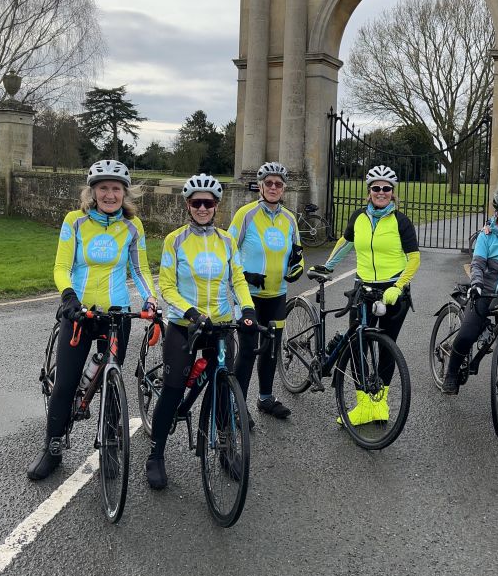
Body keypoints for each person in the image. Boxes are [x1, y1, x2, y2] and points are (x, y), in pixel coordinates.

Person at [28, 160, 156, 481]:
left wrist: (151, 300)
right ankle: (52, 447)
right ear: (93, 192)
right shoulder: (74, 221)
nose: (110, 194)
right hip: (80, 312)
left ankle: (110, 446)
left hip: (116, 314)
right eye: (103, 188)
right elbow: (61, 266)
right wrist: (68, 296)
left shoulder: (132, 226)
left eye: (116, 189)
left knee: (112, 383)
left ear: (124, 193)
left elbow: (140, 271)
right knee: (67, 382)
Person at [145, 174, 257, 491]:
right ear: (188, 205)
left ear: (216, 206)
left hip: (221, 323)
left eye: (209, 203)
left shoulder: (227, 242)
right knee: (173, 386)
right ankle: (156, 454)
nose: (203, 207)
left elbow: (237, 280)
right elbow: (166, 285)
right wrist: (192, 313)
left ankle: (225, 448)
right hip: (185, 323)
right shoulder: (175, 240)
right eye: (197, 202)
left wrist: (247, 309)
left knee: (223, 384)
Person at [309, 164, 420, 426]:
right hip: (364, 289)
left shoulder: (401, 222)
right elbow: (346, 242)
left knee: (387, 346)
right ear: (369, 191)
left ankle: (379, 404)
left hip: (393, 291)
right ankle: (362, 404)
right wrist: (329, 265)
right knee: (358, 345)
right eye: (376, 188)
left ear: (393, 193)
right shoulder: (359, 217)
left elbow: (414, 259)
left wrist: (398, 286)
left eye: (386, 188)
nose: (381, 192)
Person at [229, 161, 304, 421]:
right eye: (269, 183)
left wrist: (297, 268)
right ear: (260, 186)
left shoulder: (289, 219)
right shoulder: (245, 214)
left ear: (283, 189)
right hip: (248, 296)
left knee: (272, 348)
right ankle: (236, 404)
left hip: (277, 294)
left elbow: (298, 253)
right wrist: (243, 274)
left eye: (278, 184)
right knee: (248, 349)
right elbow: (229, 249)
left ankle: (265, 398)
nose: (273, 187)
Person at [441, 189, 498, 395]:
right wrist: (476, 283)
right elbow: (478, 263)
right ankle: (451, 373)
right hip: (486, 289)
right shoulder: (487, 234)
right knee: (467, 335)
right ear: (497, 212)